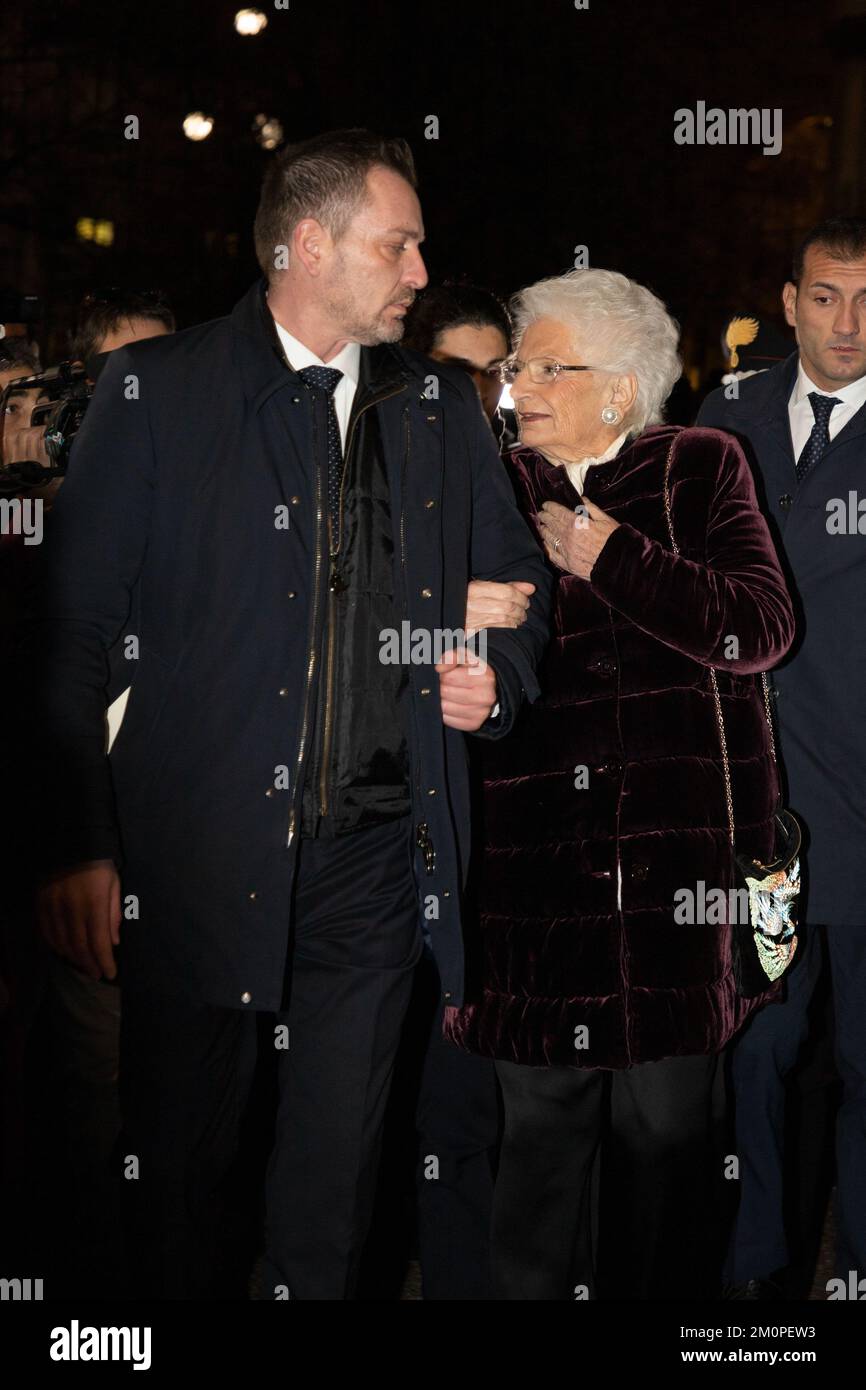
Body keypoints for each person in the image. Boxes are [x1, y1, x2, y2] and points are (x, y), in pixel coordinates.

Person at [31, 128, 550, 1300]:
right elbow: (67, 636)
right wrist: (78, 842)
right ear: (307, 244)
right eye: (397, 244)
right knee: (176, 1184)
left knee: (330, 1202)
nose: (421, 272)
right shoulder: (160, 389)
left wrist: (495, 670)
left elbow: (521, 588)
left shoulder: (438, 412)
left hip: (372, 868)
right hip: (196, 861)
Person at [444, 266, 795, 1300]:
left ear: (623, 386)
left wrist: (612, 557)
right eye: (520, 364)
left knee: (664, 1139)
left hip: (674, 885)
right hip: (529, 876)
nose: (524, 384)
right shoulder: (487, 480)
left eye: (554, 364)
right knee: (539, 1137)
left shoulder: (697, 466)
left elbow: (760, 627)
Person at [698, 215, 866, 1298]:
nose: (847, 323)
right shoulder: (728, 414)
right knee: (754, 1052)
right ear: (788, 299)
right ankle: (751, 1279)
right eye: (825, 297)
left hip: (861, 804)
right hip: (760, 820)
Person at [402, 281, 513, 440]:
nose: (478, 390)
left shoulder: (521, 461)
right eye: (457, 370)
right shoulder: (372, 449)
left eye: (493, 371)